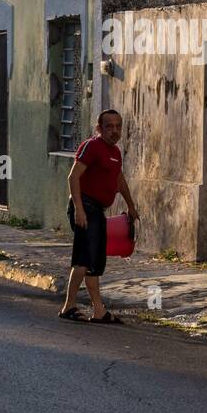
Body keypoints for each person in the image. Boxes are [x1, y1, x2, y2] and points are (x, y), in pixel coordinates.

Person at [59, 109, 139, 323]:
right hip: (85, 207)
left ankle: (99, 311)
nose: (114, 130)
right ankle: (68, 306)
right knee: (84, 259)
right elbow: (73, 177)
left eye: (118, 126)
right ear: (99, 128)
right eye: (109, 126)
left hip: (97, 211)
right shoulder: (92, 146)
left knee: (94, 261)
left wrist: (131, 205)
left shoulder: (115, 152)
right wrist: (79, 209)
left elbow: (119, 180)